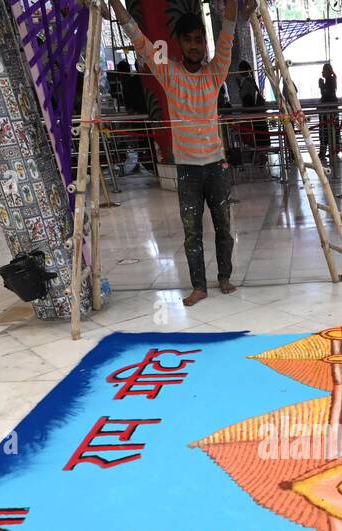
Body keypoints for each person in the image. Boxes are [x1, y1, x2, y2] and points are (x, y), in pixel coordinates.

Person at [105, 0, 252, 306]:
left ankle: (224, 277)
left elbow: (227, 32)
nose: (194, 45)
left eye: (199, 39)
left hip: (217, 167)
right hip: (187, 170)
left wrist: (235, 5)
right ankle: (199, 286)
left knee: (224, 227)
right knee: (191, 231)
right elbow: (138, 39)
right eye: (188, 40)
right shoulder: (168, 74)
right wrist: (116, 6)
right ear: (181, 43)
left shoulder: (215, 73)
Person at [317, 62, 339, 166]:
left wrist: (321, 87)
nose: (322, 72)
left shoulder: (329, 81)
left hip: (328, 112)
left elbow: (327, 96)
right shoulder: (331, 80)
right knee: (330, 131)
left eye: (324, 70)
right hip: (330, 111)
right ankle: (332, 149)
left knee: (325, 131)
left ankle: (324, 151)